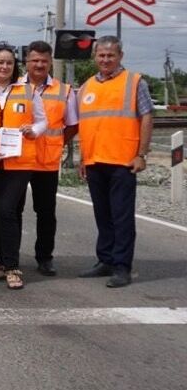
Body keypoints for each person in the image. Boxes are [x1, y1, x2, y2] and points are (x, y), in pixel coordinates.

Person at [77, 36, 153, 288]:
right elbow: (85, 125)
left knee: (121, 217)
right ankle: (106, 260)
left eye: (111, 55)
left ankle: (122, 267)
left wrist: (141, 154)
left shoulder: (134, 82)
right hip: (95, 161)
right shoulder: (87, 85)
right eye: (101, 55)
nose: (106, 60)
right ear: (95, 57)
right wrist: (82, 158)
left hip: (123, 162)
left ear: (120, 56)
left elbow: (146, 117)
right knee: (102, 215)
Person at [0, 42, 46, 290]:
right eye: (0, 62)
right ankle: (1, 262)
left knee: (6, 210)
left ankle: (13, 266)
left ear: (14, 66)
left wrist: (33, 130)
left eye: (9, 62)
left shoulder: (29, 91)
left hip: (19, 162)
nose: (4, 66)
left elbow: (42, 122)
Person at [17, 41, 78, 276]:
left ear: (51, 62)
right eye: (34, 60)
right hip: (19, 161)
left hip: (46, 162)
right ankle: (11, 258)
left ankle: (44, 258)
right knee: (13, 210)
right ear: (27, 62)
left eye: (44, 60)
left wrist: (58, 143)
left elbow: (72, 125)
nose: (39, 65)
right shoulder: (14, 87)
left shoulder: (64, 91)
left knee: (45, 212)